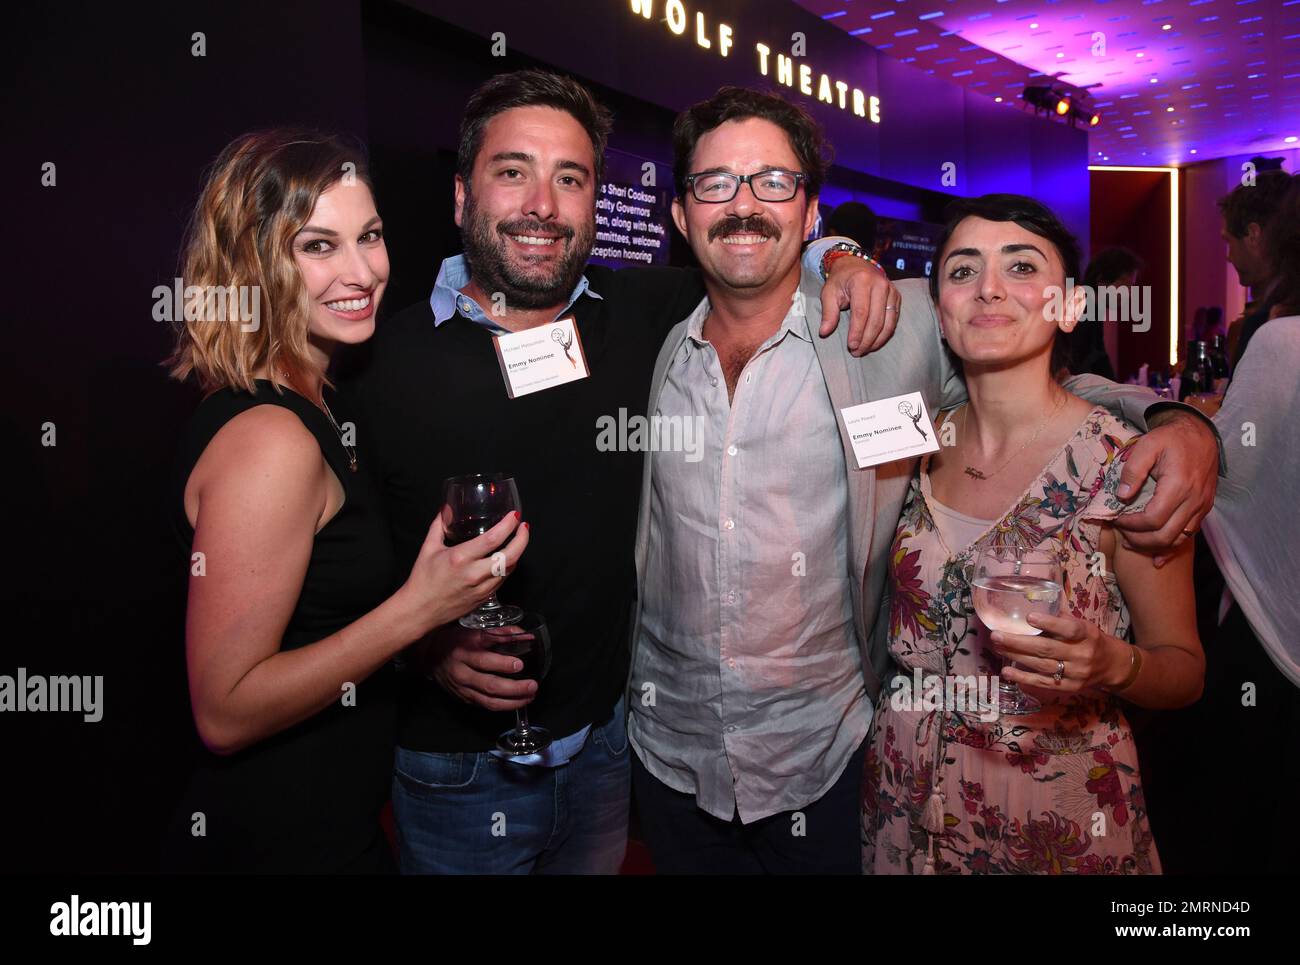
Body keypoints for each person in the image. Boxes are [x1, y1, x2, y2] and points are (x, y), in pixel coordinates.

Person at [626, 88, 1221, 875]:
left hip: (831, 763)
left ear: (810, 215)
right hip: (675, 758)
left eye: (772, 180)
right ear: (678, 214)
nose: (743, 204)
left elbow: (1031, 367)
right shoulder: (650, 340)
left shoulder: (882, 334)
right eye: (716, 184)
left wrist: (1184, 422)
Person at [347, 70, 897, 875]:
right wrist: (419, 649)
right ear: (462, 196)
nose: (542, 203)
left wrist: (837, 255)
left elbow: (752, 240)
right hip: (459, 771)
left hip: (609, 756)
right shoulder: (379, 364)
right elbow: (334, 579)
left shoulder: (639, 312)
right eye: (513, 171)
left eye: (569, 178)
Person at [162, 129, 527, 873]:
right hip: (273, 844)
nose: (362, 271)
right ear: (254, 266)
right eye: (318, 246)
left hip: (336, 828)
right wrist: (418, 610)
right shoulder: (273, 438)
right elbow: (223, 712)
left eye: (370, 236)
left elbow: (313, 625)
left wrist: (427, 649)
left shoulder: (318, 400)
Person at [1145, 175, 1300, 874]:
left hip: (1271, 633)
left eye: (1233, 237)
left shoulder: (1281, 340)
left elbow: (1229, 478)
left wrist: (1183, 426)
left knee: (1246, 818)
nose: (1230, 253)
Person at [1218, 169, 1292, 367]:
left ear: (1253, 235)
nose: (1228, 256)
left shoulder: (1265, 325)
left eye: (1229, 242)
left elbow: (1242, 400)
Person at [1059, 246, 1142, 381]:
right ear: (1101, 280)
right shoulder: (1082, 310)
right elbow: (1076, 366)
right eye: (1124, 285)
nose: (1128, 293)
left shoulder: (1093, 309)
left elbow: (1099, 359)